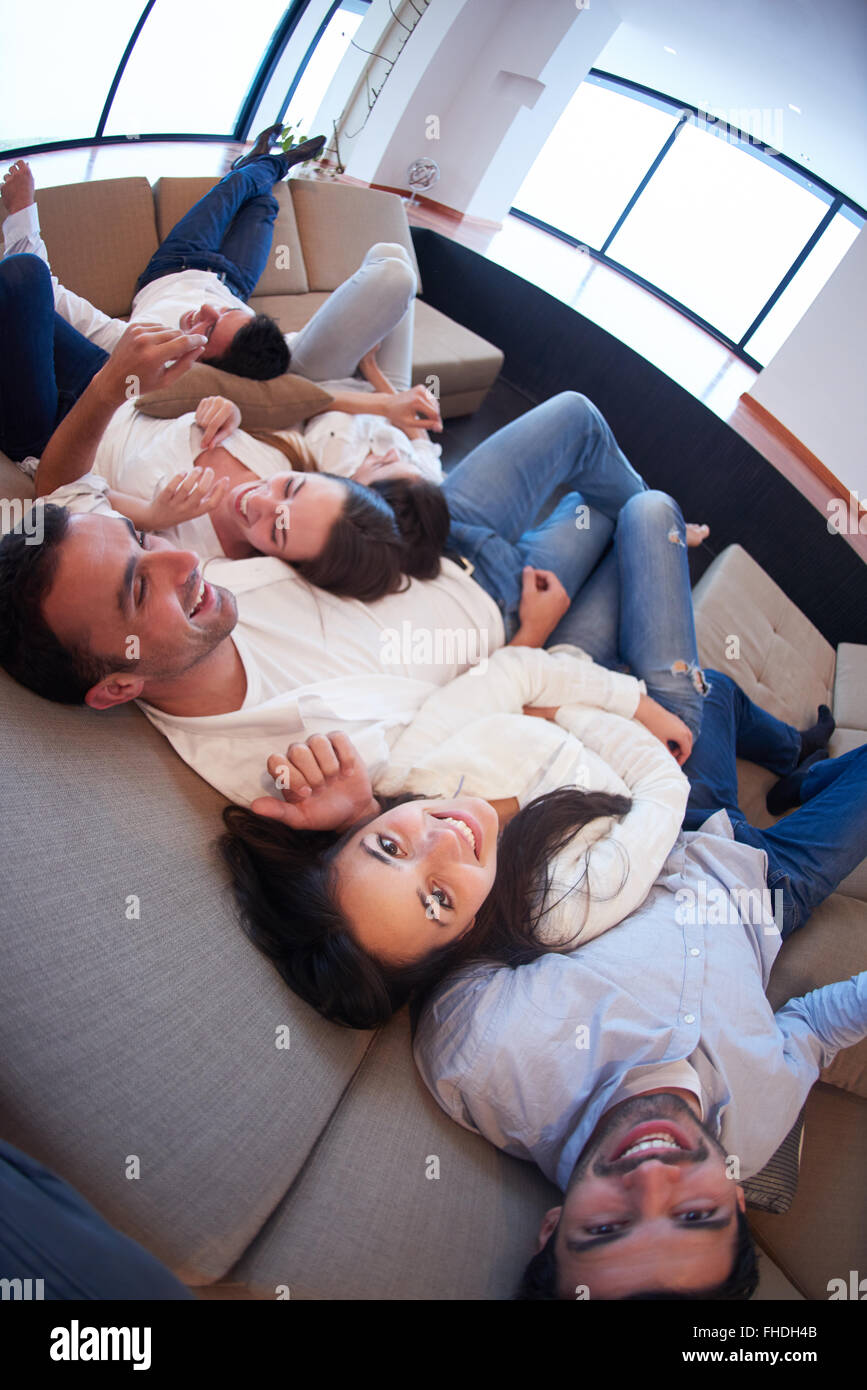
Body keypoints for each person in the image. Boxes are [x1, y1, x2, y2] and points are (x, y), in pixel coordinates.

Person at [405, 669, 866, 1299]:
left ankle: (798, 767)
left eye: (607, 1227)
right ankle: (807, 774)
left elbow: (461, 903)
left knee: (711, 690)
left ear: (553, 1227)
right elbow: (813, 1027)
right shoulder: (755, 1135)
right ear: (737, 1201)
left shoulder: (484, 1056)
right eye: (695, 1216)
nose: (651, 1178)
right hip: (769, 889)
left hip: (654, 824)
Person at [0, 157, 442, 461]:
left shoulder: (148, 347)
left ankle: (258, 166)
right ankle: (270, 161)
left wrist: (22, 211)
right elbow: (296, 375)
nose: (207, 312)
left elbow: (50, 293)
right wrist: (382, 387)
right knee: (253, 196)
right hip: (234, 278)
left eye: (208, 333)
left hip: (172, 267)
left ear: (199, 362)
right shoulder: (263, 339)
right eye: (228, 314)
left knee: (261, 201)